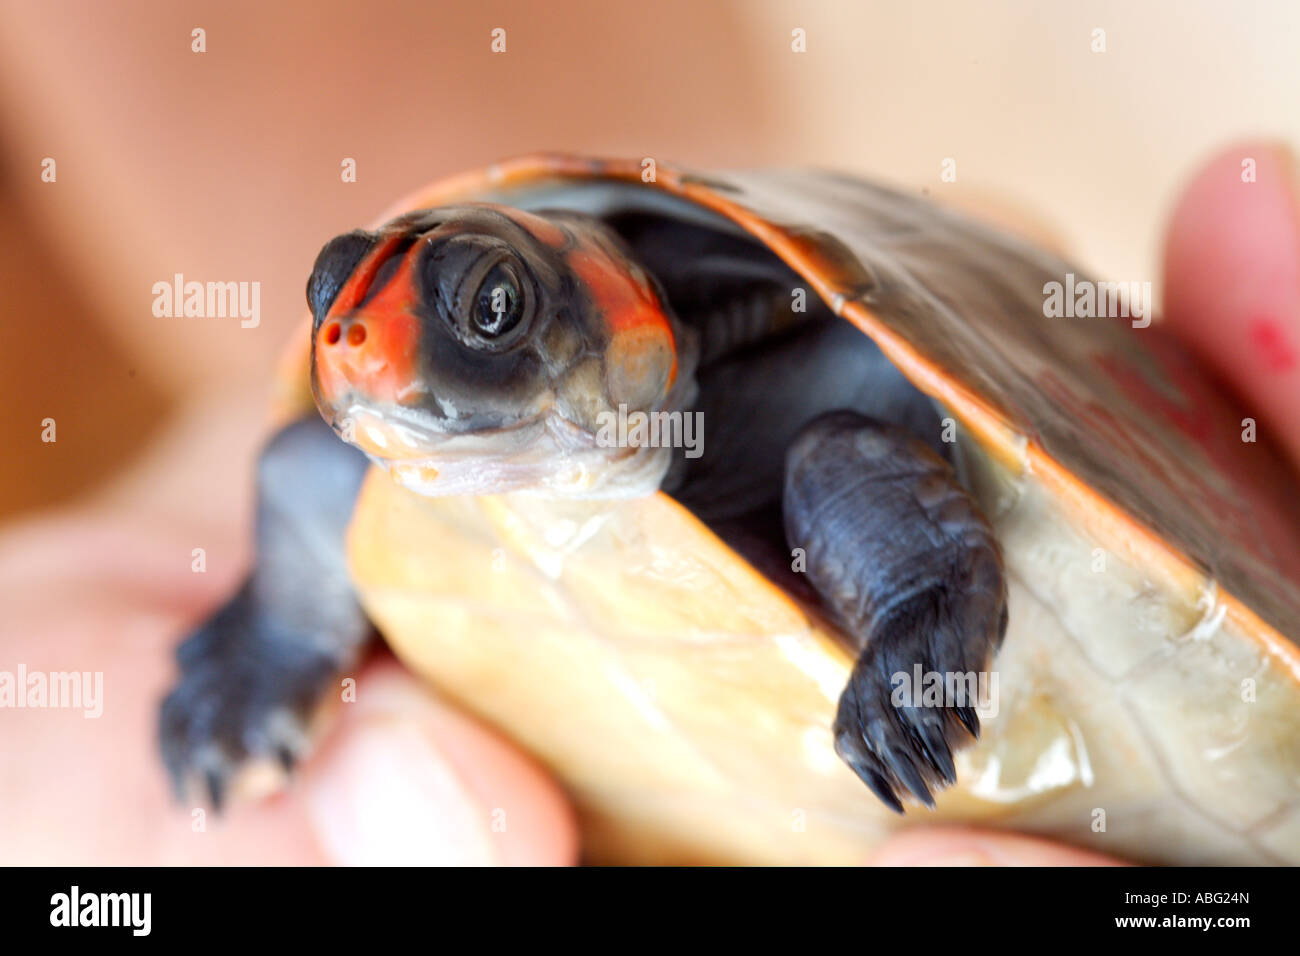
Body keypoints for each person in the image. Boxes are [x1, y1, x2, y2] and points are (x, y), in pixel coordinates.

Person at [2, 143, 1296, 865]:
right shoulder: (344, 470)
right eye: (348, 312)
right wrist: (281, 637)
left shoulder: (809, 394)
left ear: (633, 308)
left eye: (488, 311)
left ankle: (923, 612)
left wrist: (918, 614)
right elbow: (299, 469)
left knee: (835, 463)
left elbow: (863, 431)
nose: (380, 364)